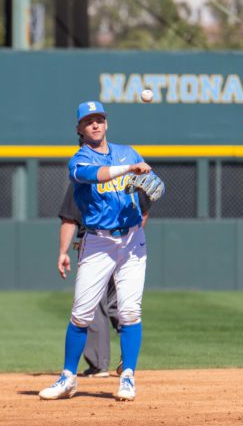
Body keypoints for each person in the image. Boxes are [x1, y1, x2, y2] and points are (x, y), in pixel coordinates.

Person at [40, 100, 163, 402]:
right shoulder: (79, 160)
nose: (95, 125)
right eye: (88, 121)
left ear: (106, 124)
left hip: (133, 240)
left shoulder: (128, 152)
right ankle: (68, 378)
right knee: (81, 313)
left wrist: (148, 184)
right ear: (79, 129)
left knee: (130, 311)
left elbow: (156, 187)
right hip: (98, 242)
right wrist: (129, 170)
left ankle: (128, 377)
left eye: (99, 119)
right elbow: (95, 176)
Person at [56, 181, 151, 378]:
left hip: (94, 247)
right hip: (127, 246)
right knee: (122, 304)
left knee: (93, 306)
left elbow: (69, 218)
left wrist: (63, 251)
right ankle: (128, 359)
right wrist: (130, 239)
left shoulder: (82, 177)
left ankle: (99, 364)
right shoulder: (125, 174)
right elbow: (143, 212)